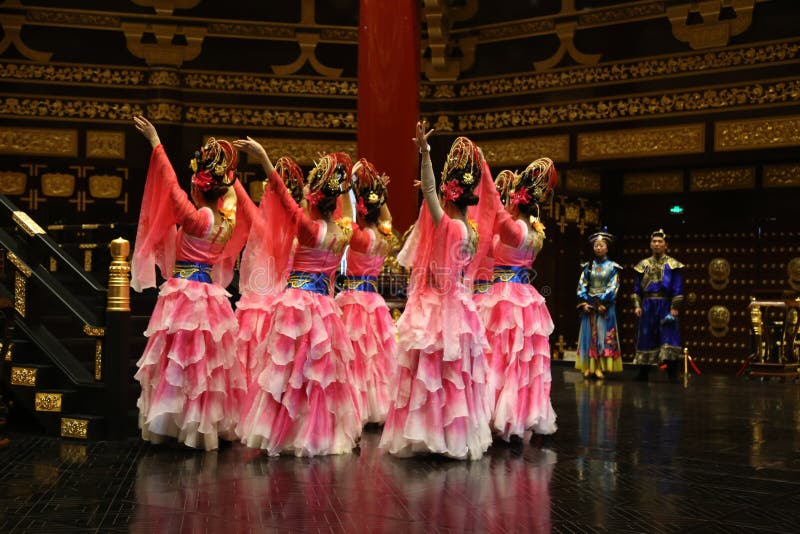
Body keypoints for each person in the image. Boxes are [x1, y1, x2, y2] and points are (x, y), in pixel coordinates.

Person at [131, 116, 253, 451]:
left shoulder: (198, 219)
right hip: (212, 296)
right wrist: (227, 170)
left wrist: (156, 142)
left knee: (180, 361)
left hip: (185, 294)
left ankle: (175, 422)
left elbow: (170, 186)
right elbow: (230, 194)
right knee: (206, 364)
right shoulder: (228, 220)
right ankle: (202, 424)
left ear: (199, 188)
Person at [234, 137, 362, 457]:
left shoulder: (308, 229)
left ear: (314, 201)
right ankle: (317, 432)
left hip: (298, 302)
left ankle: (287, 430)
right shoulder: (343, 233)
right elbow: (346, 215)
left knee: (290, 370)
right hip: (325, 307)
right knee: (318, 372)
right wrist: (348, 185)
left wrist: (264, 158)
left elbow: (282, 195)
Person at [379, 122, 492, 460]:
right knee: (454, 374)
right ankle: (453, 434)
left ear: (449, 195)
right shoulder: (471, 230)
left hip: (437, 302)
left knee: (430, 371)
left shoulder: (450, 225)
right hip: (460, 301)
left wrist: (425, 154)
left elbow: (428, 192)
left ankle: (428, 432)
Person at [477, 160, 557, 443]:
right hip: (526, 297)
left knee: (501, 357)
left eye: (512, 197)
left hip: (506, 297)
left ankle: (502, 416)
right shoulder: (535, 230)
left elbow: (495, 210)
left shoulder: (516, 230)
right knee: (520, 361)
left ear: (518, 200)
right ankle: (520, 414)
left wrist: (484, 170)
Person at [336, 159, 398, 425]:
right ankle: (377, 406)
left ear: (361, 212)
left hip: (353, 300)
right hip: (374, 300)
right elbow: (388, 218)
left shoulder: (359, 237)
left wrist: (344, 188)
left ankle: (355, 405)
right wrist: (381, 193)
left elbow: (344, 219)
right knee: (374, 357)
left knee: (356, 356)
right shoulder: (385, 237)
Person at [235, 156, 305, 385]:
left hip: (267, 303)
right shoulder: (303, 229)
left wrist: (231, 176)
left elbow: (244, 200)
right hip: (288, 302)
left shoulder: (296, 228)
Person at [632, 229, 684, 382]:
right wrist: (637, 305)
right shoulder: (643, 265)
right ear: (650, 244)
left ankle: (672, 373)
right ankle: (643, 373)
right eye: (654, 241)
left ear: (666, 245)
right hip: (648, 304)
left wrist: (675, 307)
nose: (657, 244)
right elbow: (636, 289)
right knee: (646, 336)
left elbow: (678, 287)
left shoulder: (673, 264)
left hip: (665, 304)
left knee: (669, 337)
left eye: (660, 241)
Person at [575, 228, 623, 379]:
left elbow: (613, 286)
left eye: (601, 245)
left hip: (605, 307)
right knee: (589, 336)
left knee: (603, 336)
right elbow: (582, 285)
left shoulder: (612, 267)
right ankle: (589, 366)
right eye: (596, 245)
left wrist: (604, 303)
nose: (598, 248)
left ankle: (601, 367)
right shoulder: (588, 267)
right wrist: (584, 302)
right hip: (590, 307)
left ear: (607, 248)